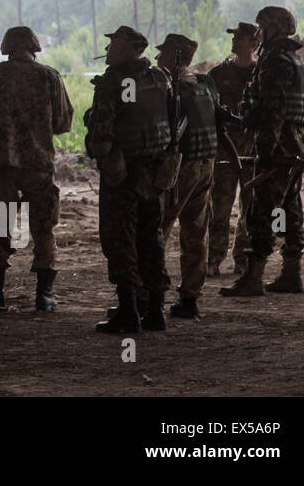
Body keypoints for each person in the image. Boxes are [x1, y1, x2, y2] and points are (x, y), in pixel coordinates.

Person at [0, 25, 74, 312]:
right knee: (43, 228)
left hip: (3, 164)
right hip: (40, 166)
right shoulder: (49, 76)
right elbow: (63, 123)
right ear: (34, 47)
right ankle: (44, 295)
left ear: (6, 47)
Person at [84, 25, 173, 333]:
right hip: (153, 174)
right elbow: (172, 124)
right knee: (151, 238)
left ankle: (128, 311)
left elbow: (102, 133)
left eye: (112, 45)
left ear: (124, 49)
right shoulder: (159, 78)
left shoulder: (114, 81)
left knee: (120, 240)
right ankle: (156, 310)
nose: (107, 50)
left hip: (122, 177)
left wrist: (101, 156)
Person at [220, 6, 304, 297]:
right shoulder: (297, 60)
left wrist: (266, 151)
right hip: (295, 146)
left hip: (277, 147)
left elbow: (273, 110)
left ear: (272, 28)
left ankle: (254, 275)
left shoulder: (273, 60)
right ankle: (290, 272)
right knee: (288, 208)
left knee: (263, 210)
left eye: (261, 28)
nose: (258, 34)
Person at [156, 33, 231, 320]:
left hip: (179, 167)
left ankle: (150, 295)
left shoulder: (168, 85)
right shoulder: (205, 84)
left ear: (176, 56)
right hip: (206, 164)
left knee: (157, 229)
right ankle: (190, 298)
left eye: (162, 53)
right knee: (196, 232)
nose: (157, 57)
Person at [206, 23, 259, 277]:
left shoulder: (262, 73)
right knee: (220, 207)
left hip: (252, 148)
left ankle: (243, 258)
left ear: (253, 43)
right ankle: (214, 258)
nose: (234, 40)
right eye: (234, 36)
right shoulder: (218, 73)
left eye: (240, 37)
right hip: (225, 149)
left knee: (249, 207)